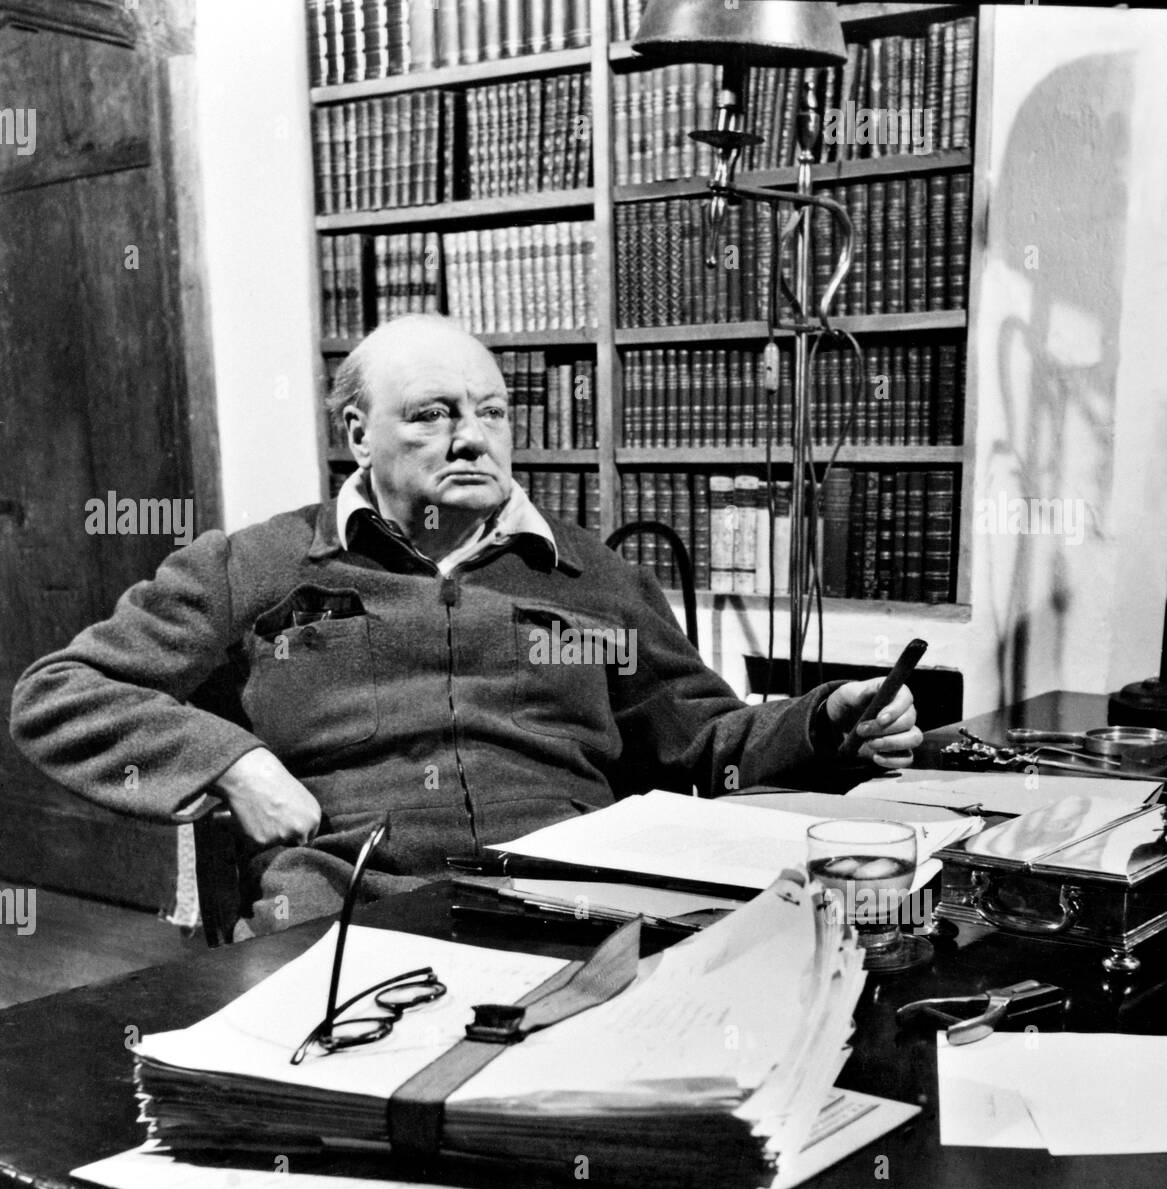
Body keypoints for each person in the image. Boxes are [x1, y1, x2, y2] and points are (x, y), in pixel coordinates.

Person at [10, 315, 921, 937]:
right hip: (349, 903)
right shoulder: (255, 564)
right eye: (433, 414)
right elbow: (58, 695)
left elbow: (700, 741)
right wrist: (230, 763)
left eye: (490, 412)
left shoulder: (592, 575)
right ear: (358, 433)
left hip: (581, 895)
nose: (473, 437)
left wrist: (823, 717)